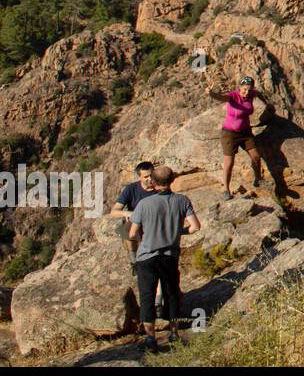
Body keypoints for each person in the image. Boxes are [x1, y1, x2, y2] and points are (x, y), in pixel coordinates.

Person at [128, 165, 200, 352]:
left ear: (153, 181)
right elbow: (195, 227)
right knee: (171, 294)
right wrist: (178, 232)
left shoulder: (144, 204)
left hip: (147, 257)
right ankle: (174, 333)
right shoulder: (182, 200)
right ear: (172, 180)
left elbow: (132, 233)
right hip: (170, 255)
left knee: (147, 296)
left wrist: (145, 239)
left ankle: (151, 339)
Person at [208, 75, 274, 200]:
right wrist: (211, 93)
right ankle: (226, 189)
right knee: (229, 162)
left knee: (256, 156)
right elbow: (221, 97)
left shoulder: (252, 93)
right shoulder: (233, 96)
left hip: (245, 132)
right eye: (244, 89)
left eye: (249, 89)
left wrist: (267, 104)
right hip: (230, 133)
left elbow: (258, 94)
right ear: (240, 88)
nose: (247, 92)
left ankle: (258, 179)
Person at [109, 162, 156, 267]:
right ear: (139, 177)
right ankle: (134, 259)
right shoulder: (131, 189)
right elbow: (113, 212)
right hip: (137, 223)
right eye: (146, 177)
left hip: (155, 223)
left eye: (152, 175)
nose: (150, 179)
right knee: (128, 224)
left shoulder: (160, 187)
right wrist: (128, 213)